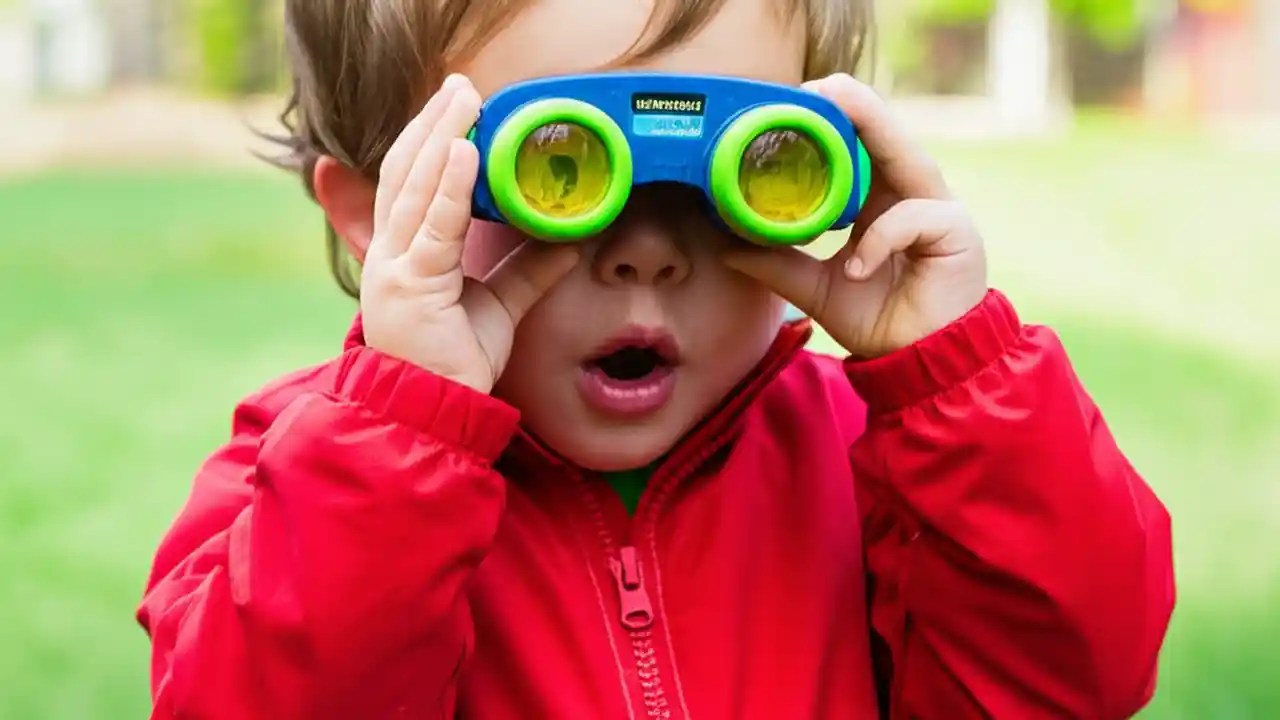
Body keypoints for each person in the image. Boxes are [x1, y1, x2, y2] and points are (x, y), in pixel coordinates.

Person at [136, 0, 1175, 717]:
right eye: (557, 163)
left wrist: (959, 383)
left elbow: (1075, 680)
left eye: (758, 159)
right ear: (372, 217)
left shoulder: (891, 464)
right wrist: (398, 437)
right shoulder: (299, 479)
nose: (644, 247)